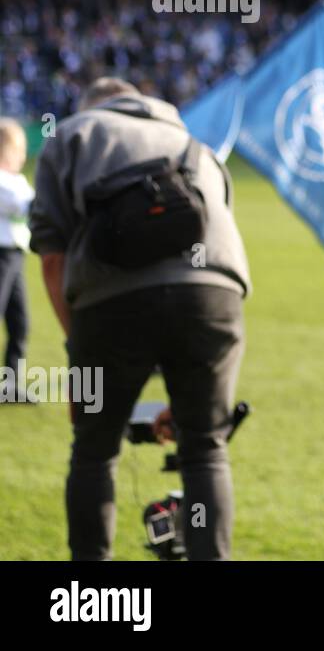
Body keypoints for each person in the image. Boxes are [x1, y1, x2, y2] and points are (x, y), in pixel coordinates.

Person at [28, 77, 252, 560]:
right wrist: (193, 400)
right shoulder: (197, 146)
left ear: (90, 108)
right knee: (205, 449)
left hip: (110, 300)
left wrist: (80, 353)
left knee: (94, 451)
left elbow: (52, 259)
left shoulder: (70, 135)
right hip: (213, 298)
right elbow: (221, 261)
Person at [0, 117, 35, 403]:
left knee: (20, 322)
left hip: (15, 257)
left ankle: (10, 385)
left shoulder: (16, 180)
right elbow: (25, 205)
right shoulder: (4, 182)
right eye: (16, 151)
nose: (22, 158)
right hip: (1, 255)